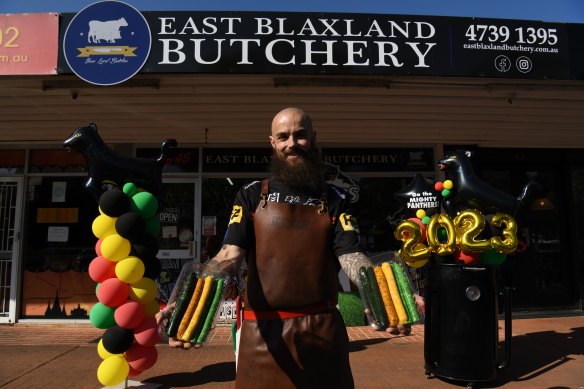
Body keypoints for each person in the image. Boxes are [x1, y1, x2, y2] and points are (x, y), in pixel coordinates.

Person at [157, 107, 417, 388]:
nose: (292, 143)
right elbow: (229, 254)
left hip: (323, 333)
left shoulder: (334, 198)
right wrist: (188, 300)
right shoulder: (252, 194)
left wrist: (392, 296)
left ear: (313, 139)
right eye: (283, 137)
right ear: (272, 142)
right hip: (263, 335)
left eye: (300, 135)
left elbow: (351, 256)